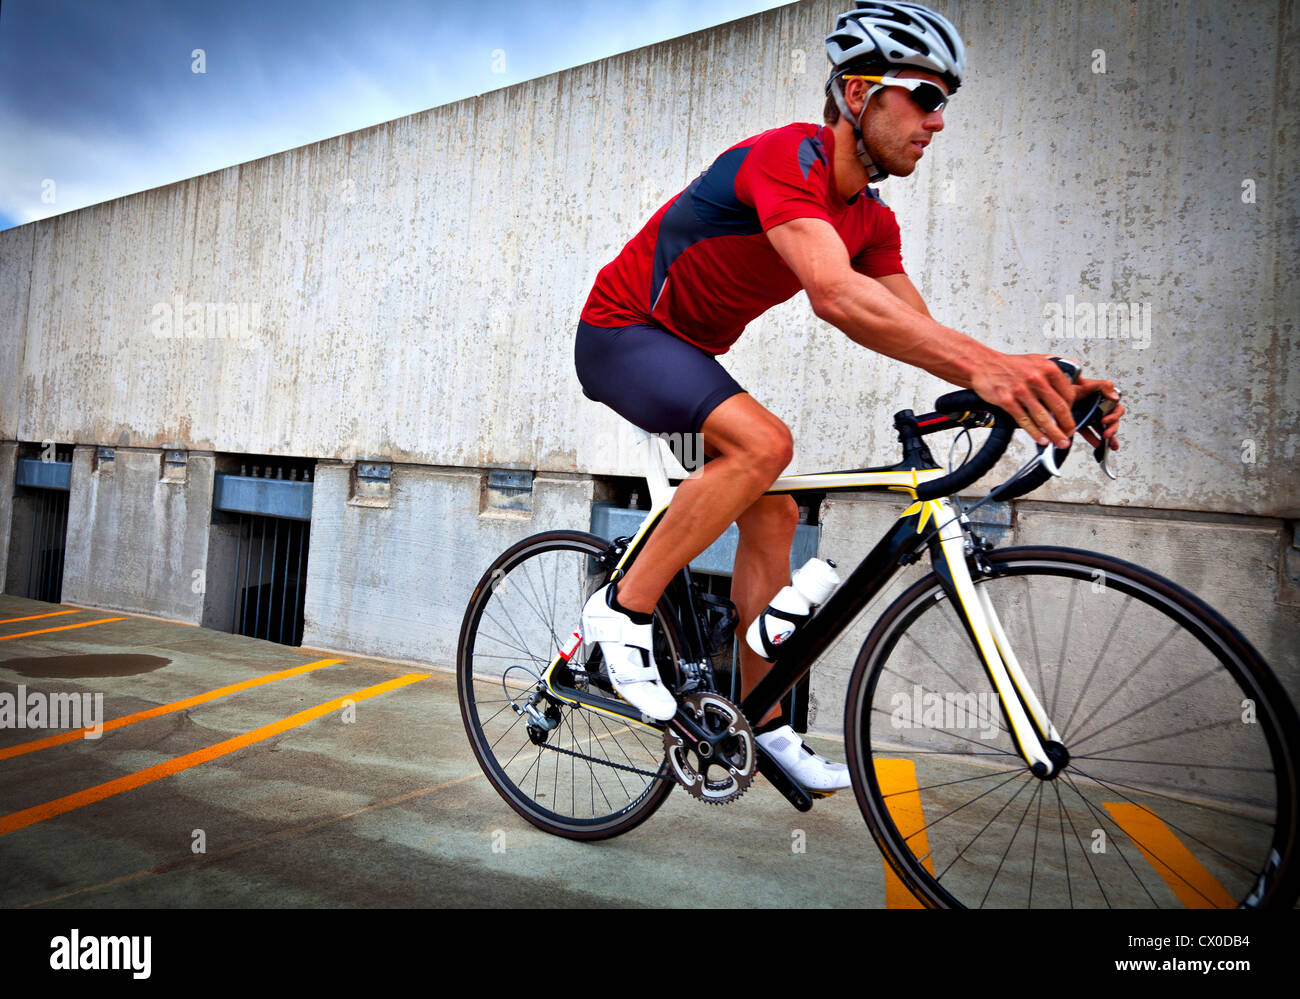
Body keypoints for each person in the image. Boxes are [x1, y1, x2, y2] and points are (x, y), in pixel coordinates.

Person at [573, 1, 1124, 791]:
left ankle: (759, 722)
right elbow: (834, 296)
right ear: (860, 94)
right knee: (766, 444)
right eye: (926, 97)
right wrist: (991, 368)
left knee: (771, 506)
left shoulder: (870, 220)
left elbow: (916, 331)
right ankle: (621, 613)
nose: (938, 121)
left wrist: (1041, 386)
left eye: (947, 104)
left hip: (684, 353)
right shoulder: (784, 159)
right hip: (621, 334)